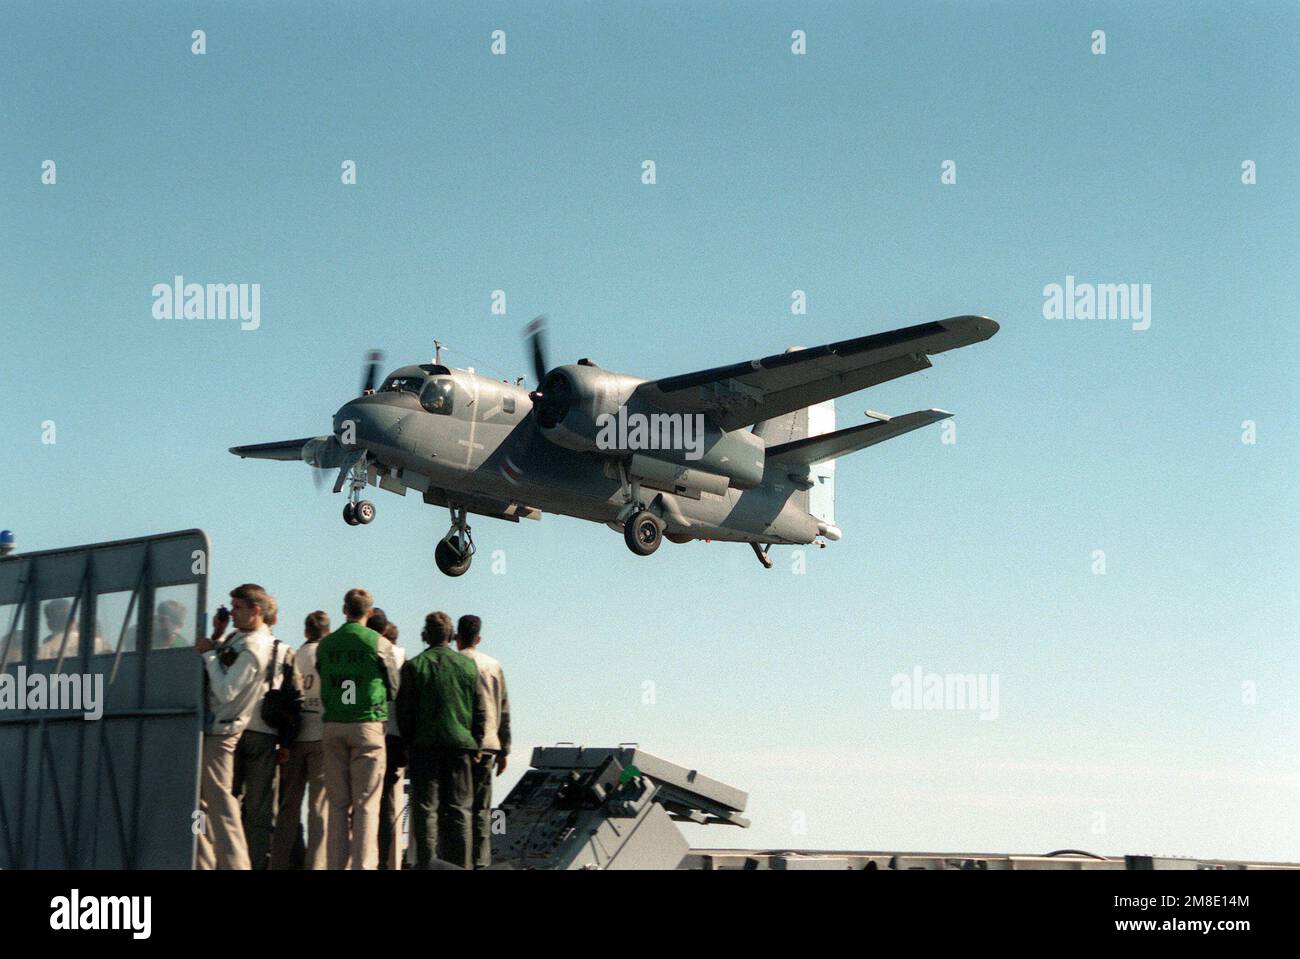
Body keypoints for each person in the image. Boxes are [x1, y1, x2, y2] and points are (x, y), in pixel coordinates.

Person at [316, 588, 401, 869]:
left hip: (333, 724)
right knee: (366, 804)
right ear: (369, 612)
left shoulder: (325, 645)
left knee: (337, 805)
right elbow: (393, 686)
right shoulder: (379, 643)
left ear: (344, 610)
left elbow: (322, 673)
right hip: (367, 725)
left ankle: (335, 865)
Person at [195, 584, 274, 870]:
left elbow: (226, 689)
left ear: (256, 610)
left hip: (222, 731)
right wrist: (217, 637)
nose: (233, 613)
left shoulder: (255, 647)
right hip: (213, 726)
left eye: (238, 608)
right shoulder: (241, 638)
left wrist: (209, 654)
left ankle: (235, 864)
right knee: (201, 804)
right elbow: (223, 660)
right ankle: (204, 862)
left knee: (221, 805)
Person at [396, 612, 484, 869]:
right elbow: (480, 710)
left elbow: (405, 712)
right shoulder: (468, 666)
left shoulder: (414, 666)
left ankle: (427, 865)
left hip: (425, 748)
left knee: (426, 812)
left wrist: (409, 744)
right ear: (451, 636)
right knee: (459, 811)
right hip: (460, 747)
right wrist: (476, 743)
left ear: (426, 635)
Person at [233, 595, 294, 870]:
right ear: (276, 619)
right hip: (265, 732)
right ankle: (255, 863)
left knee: (227, 803)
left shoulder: (233, 644)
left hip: (232, 730)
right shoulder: (283, 650)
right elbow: (295, 699)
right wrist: (287, 742)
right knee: (259, 810)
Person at [271, 610, 330, 869]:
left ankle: (279, 862)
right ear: (327, 632)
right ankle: (315, 865)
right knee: (319, 810)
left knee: (287, 808)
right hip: (321, 737)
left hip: (294, 737)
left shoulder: (294, 655)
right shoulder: (329, 656)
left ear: (306, 631)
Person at [455, 614, 511, 869]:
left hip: (458, 745)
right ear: (479, 638)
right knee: (481, 810)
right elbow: (504, 709)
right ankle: (480, 862)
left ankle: (459, 861)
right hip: (488, 745)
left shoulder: (452, 663)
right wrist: (505, 750)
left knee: (457, 808)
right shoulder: (493, 665)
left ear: (457, 637)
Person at [368, 608, 408, 870]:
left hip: (371, 731)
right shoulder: (404, 658)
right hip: (395, 737)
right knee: (388, 805)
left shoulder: (370, 652)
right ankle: (386, 861)